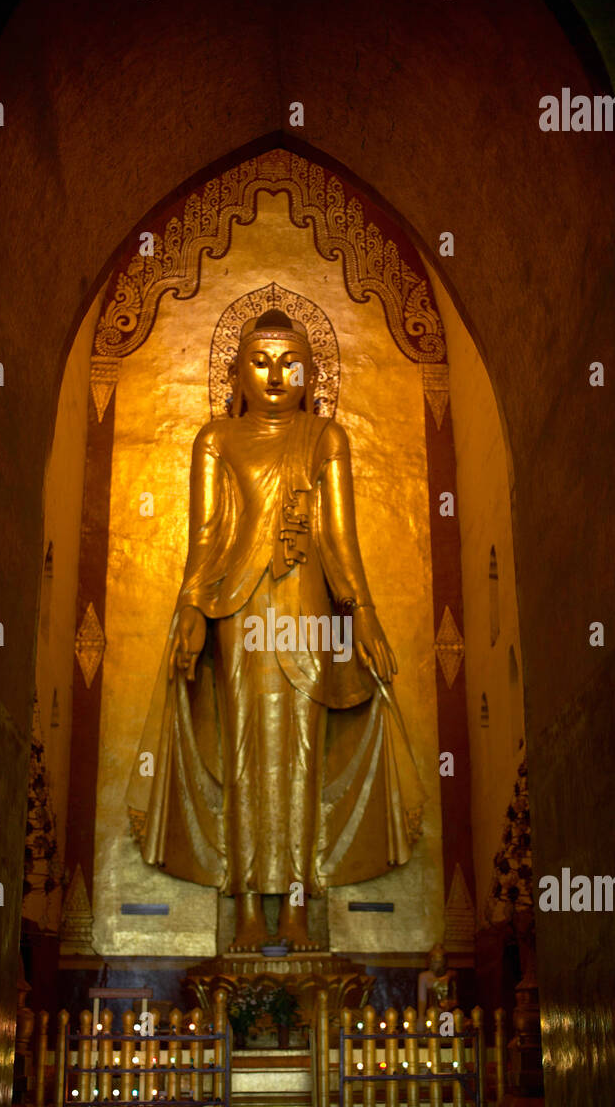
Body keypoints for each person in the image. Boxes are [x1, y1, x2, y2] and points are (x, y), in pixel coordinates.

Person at [127, 308, 425, 951]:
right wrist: (187, 611)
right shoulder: (216, 438)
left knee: (301, 757)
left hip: (309, 604)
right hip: (237, 605)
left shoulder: (326, 437)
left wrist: (363, 614)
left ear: (312, 375)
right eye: (259, 362)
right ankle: (246, 917)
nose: (273, 375)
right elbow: (204, 538)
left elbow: (339, 537)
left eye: (290, 363)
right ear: (235, 372)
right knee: (242, 755)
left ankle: (295, 908)